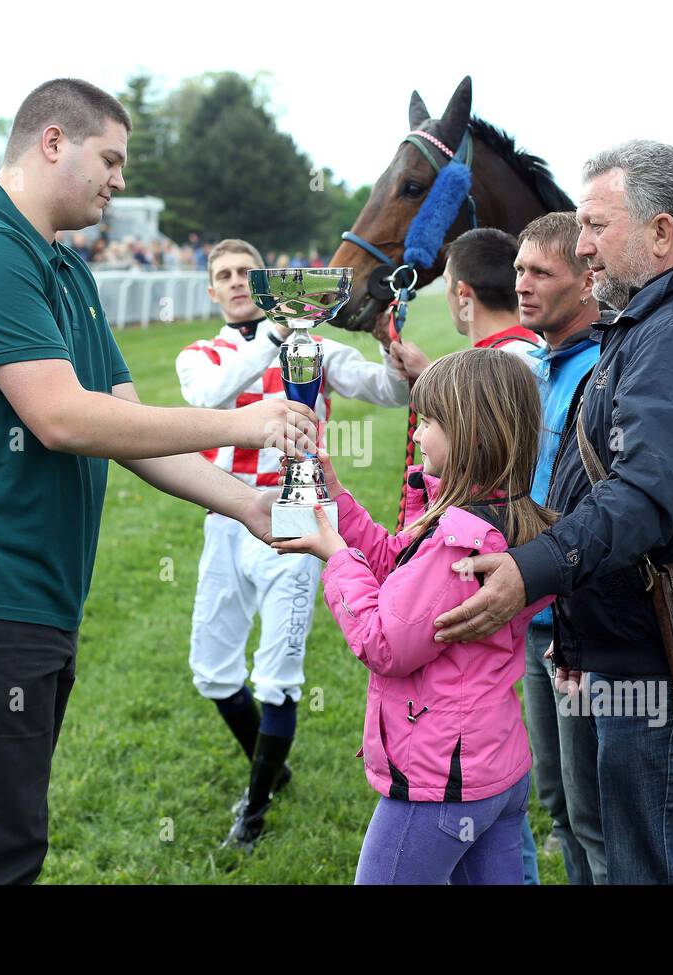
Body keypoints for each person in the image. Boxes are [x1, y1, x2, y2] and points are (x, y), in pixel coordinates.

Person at [0, 77, 319, 885]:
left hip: (26, 592)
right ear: (51, 142)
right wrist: (246, 423)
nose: (119, 180)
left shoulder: (64, 270)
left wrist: (247, 502)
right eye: (109, 159)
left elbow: (128, 425)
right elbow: (63, 418)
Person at [433, 140, 673, 884]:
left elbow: (640, 498)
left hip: (671, 663)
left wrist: (526, 572)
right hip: (639, 646)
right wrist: (576, 638)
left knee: (653, 870)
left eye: (597, 226)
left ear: (661, 231)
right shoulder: (652, 319)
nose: (582, 244)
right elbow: (591, 484)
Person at [275, 348, 556, 884]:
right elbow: (397, 570)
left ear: (472, 435)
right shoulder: (492, 518)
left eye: (428, 421)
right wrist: (332, 495)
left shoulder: (460, 543)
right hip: (495, 773)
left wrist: (336, 558)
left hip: (440, 787)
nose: (417, 434)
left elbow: (385, 641)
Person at [176, 239, 409, 850]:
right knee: (213, 668)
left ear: (266, 281)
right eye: (222, 275)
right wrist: (276, 338)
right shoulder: (202, 355)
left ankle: (251, 814)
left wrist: (391, 339)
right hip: (227, 516)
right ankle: (272, 770)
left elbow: (388, 390)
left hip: (297, 519)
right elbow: (207, 397)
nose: (233, 282)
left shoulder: (313, 346)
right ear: (211, 289)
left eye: (245, 273)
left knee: (276, 674)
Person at [512, 211, 606, 885]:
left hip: (580, 623)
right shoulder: (541, 364)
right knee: (557, 803)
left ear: (587, 280)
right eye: (518, 269)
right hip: (532, 613)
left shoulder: (603, 369)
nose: (523, 284)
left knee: (594, 813)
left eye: (541, 271)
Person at [387, 228, 541, 383]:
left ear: (462, 292)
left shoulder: (498, 368)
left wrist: (428, 374)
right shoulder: (537, 347)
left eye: (446, 281)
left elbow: (479, 396)